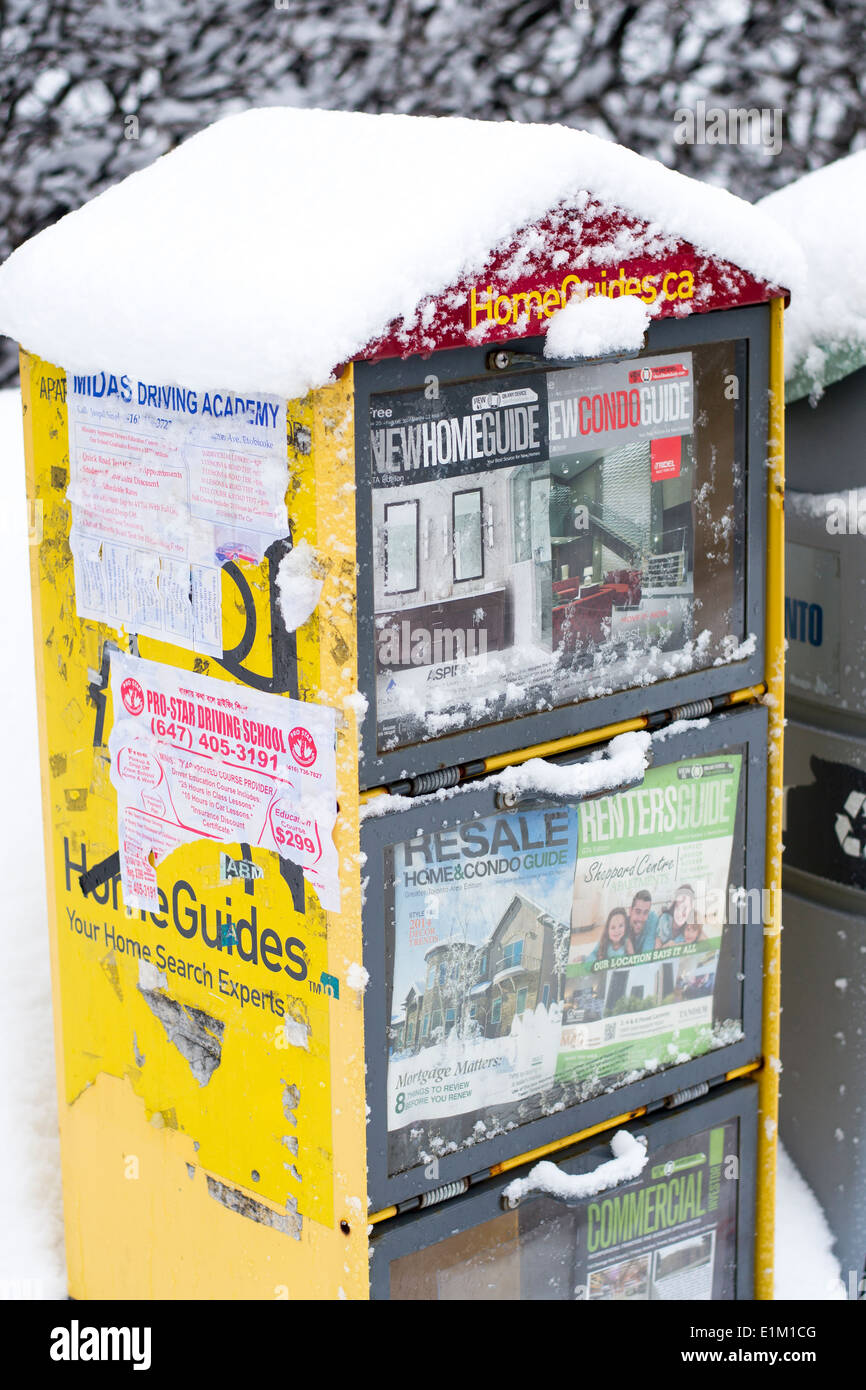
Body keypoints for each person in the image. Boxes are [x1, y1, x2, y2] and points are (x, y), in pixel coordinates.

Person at [626, 889, 657, 954]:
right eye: (637, 912)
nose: (641, 918)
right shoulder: (622, 925)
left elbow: (647, 954)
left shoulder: (652, 919)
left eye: (645, 912)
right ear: (630, 911)